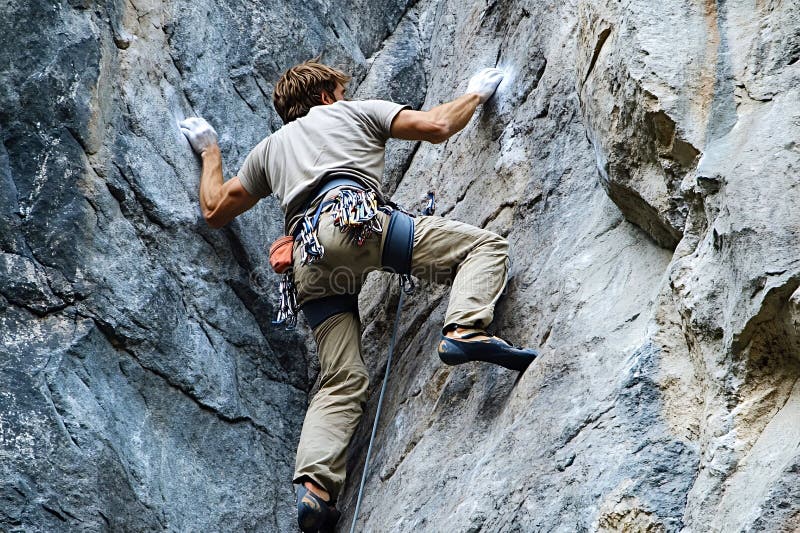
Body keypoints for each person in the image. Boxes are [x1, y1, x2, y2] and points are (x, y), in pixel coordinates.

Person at [180, 59, 538, 532]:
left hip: (307, 262)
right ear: (329, 94)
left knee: (340, 379)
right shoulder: (354, 112)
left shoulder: (268, 151)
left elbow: (214, 209)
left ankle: (315, 491)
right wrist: (475, 93)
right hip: (356, 223)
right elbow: (437, 125)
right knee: (483, 247)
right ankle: (466, 328)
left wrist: (210, 152)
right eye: (340, 93)